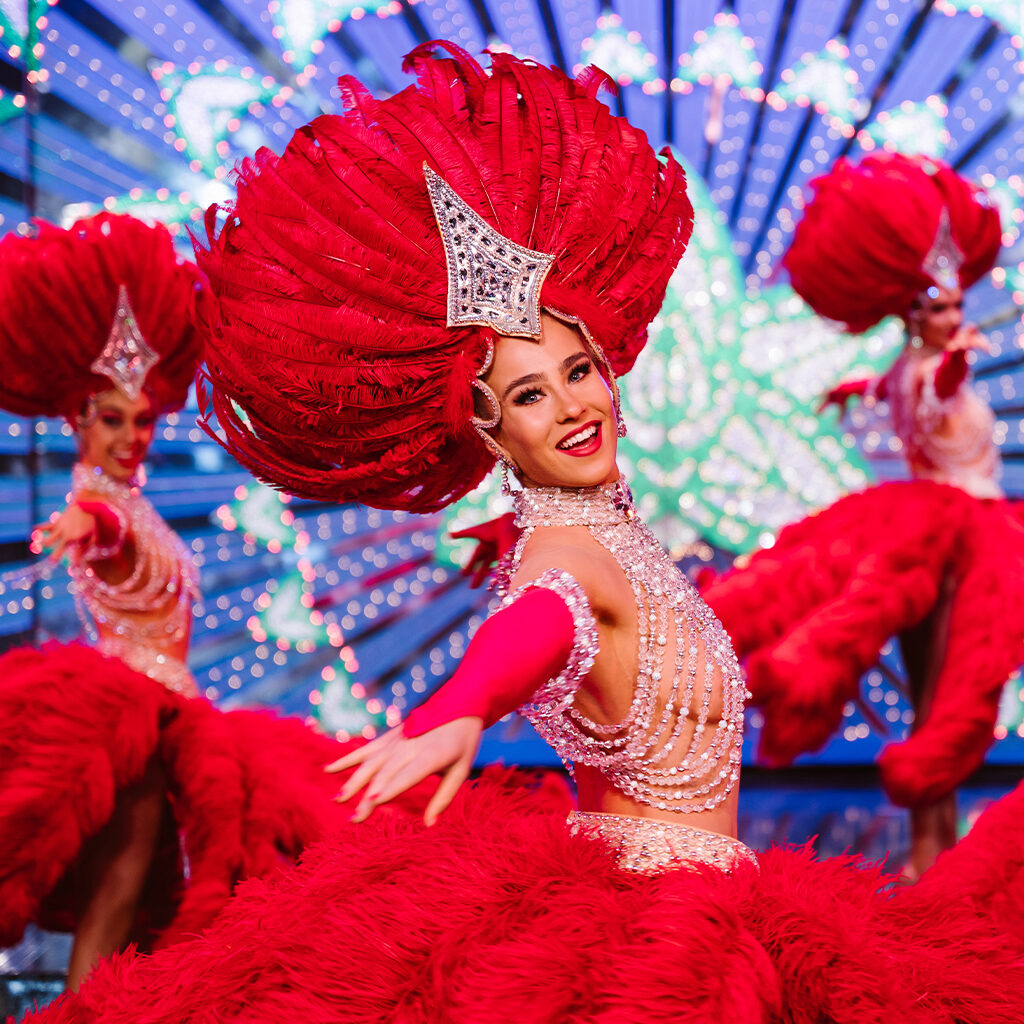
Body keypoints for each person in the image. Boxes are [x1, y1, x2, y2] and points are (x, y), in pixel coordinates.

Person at [27, 46, 1024, 1022]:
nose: (570, 408)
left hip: (727, 906)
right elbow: (542, 621)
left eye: (578, 372)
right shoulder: (564, 554)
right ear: (493, 430)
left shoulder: (600, 535)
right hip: (659, 940)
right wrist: (464, 702)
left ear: (611, 369)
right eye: (529, 396)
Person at [0, 214, 436, 990]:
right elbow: (92, 528)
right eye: (113, 421)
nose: (132, 437)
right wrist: (74, 525)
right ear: (78, 421)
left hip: (175, 717)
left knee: (158, 900)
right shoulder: (100, 505)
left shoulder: (132, 505)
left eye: (142, 421)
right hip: (129, 722)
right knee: (123, 887)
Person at [701, 153, 1024, 877]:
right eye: (938, 309)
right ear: (916, 317)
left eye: (955, 308)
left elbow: (893, 383)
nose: (953, 318)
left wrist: (853, 389)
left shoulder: (902, 373)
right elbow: (937, 387)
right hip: (953, 529)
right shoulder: (934, 372)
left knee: (940, 692)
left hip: (942, 523)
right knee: (943, 692)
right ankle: (931, 851)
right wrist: (953, 365)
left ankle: (931, 847)